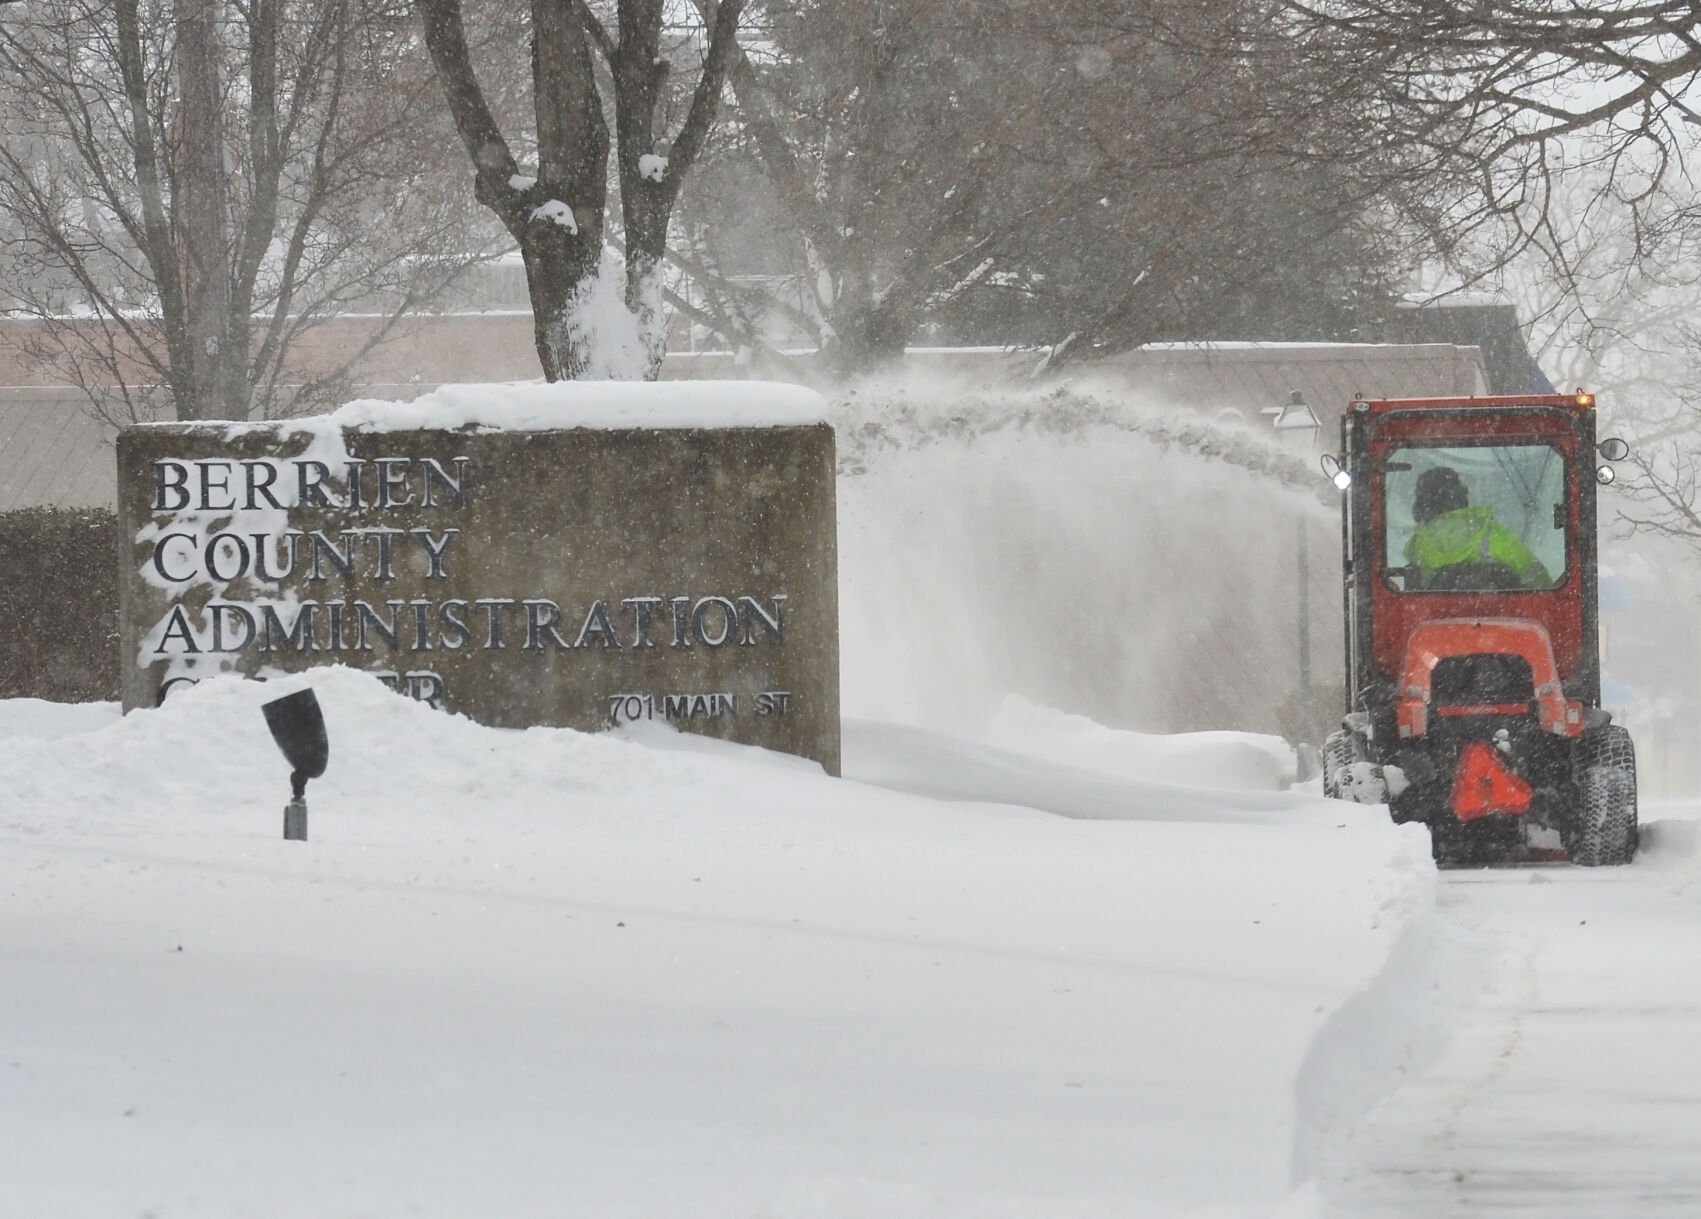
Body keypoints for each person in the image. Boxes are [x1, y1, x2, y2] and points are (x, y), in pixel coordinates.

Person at [1405, 466, 1553, 589]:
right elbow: (1538, 578)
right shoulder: (1494, 536)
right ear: (1461, 495)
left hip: (1437, 614)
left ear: (1422, 502)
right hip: (1502, 613)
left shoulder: (1415, 547)